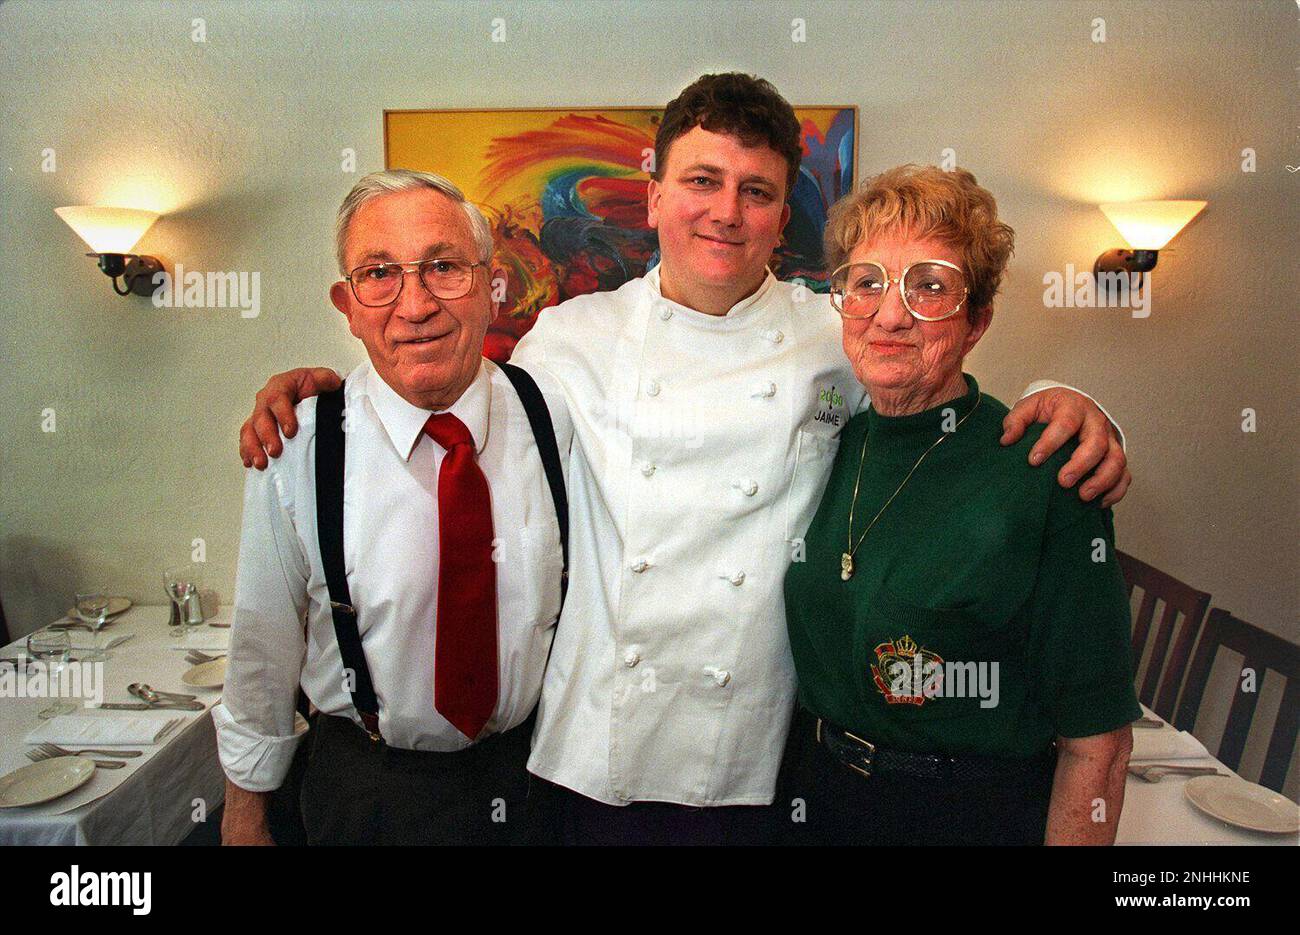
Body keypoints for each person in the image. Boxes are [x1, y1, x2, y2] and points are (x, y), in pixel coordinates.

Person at [237, 74, 1130, 845]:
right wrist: (325, 396)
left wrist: (1083, 406)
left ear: (784, 216)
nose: (725, 211)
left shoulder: (839, 335)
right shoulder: (566, 339)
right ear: (654, 190)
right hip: (586, 756)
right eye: (702, 180)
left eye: (756, 190)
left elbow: (941, 395)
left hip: (756, 760)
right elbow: (449, 396)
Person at [783, 165, 1139, 845]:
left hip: (965, 812)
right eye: (868, 283)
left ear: (977, 320)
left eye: (931, 286)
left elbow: (1098, 744)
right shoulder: (832, 439)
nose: (891, 314)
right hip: (817, 797)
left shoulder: (1042, 472)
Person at [213, 169, 571, 845]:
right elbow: (262, 648)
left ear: (491, 286)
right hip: (367, 793)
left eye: (443, 266)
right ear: (347, 304)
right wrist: (244, 812)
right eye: (379, 274)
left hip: (533, 782)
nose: (415, 305)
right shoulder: (298, 447)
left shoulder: (556, 415)